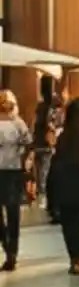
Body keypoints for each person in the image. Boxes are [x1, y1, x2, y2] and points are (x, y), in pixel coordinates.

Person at [47, 97, 79, 275]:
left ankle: (75, 259)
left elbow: (59, 158)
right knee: (76, 224)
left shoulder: (67, 134)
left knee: (69, 225)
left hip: (64, 182)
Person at [0, 91, 31, 272]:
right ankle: (9, 249)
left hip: (12, 171)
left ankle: (11, 251)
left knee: (12, 213)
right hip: (11, 171)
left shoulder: (18, 123)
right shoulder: (18, 123)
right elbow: (28, 143)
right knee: (12, 213)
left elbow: (28, 143)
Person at [32, 77, 63, 211]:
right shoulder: (52, 105)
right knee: (44, 170)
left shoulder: (40, 106)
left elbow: (35, 123)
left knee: (39, 171)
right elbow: (50, 123)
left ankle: (41, 196)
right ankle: (43, 197)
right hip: (46, 143)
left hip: (37, 141)